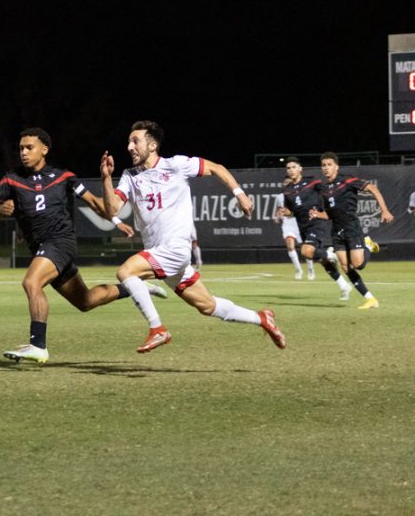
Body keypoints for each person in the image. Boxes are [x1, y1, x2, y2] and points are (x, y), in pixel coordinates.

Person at [100, 120, 286, 353]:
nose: (129, 146)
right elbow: (112, 209)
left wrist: (240, 194)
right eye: (129, 141)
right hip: (160, 253)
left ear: (152, 145)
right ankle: (262, 318)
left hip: (174, 249)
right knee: (208, 306)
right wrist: (106, 178)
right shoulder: (129, 176)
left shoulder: (176, 165)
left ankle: (157, 328)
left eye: (135, 140)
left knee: (126, 272)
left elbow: (217, 168)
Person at [0, 127, 167, 364]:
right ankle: (137, 288)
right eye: (21, 148)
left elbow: (95, 204)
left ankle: (38, 345)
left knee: (31, 282)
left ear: (44, 150)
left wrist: (114, 217)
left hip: (59, 242)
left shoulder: (64, 177)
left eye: (29, 147)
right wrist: (0, 211)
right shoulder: (11, 179)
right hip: (41, 248)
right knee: (85, 301)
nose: (23, 152)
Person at [308, 152, 394, 310]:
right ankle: (370, 299)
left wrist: (384, 210)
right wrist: (318, 215)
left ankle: (367, 245)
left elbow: (373, 188)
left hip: (351, 226)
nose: (326, 168)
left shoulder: (346, 180)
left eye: (329, 165)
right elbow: (330, 214)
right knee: (345, 266)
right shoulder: (324, 190)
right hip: (336, 230)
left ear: (336, 167)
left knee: (358, 264)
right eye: (323, 165)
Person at [277, 159, 352, 296]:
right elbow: (291, 212)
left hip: (317, 223)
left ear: (300, 169)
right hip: (303, 227)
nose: (291, 170)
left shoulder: (312, 182)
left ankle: (333, 255)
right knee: (322, 260)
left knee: (306, 252)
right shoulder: (287, 191)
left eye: (294, 167)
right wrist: (285, 212)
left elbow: (328, 192)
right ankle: (344, 285)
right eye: (288, 168)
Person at [273, 175, 314, 280]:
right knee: (290, 246)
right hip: (287, 224)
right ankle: (298, 270)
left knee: (305, 248)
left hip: (298, 222)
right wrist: (277, 217)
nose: (286, 184)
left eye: (289, 182)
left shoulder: (299, 193)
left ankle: (310, 268)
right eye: (285, 183)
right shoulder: (279, 197)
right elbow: (276, 210)